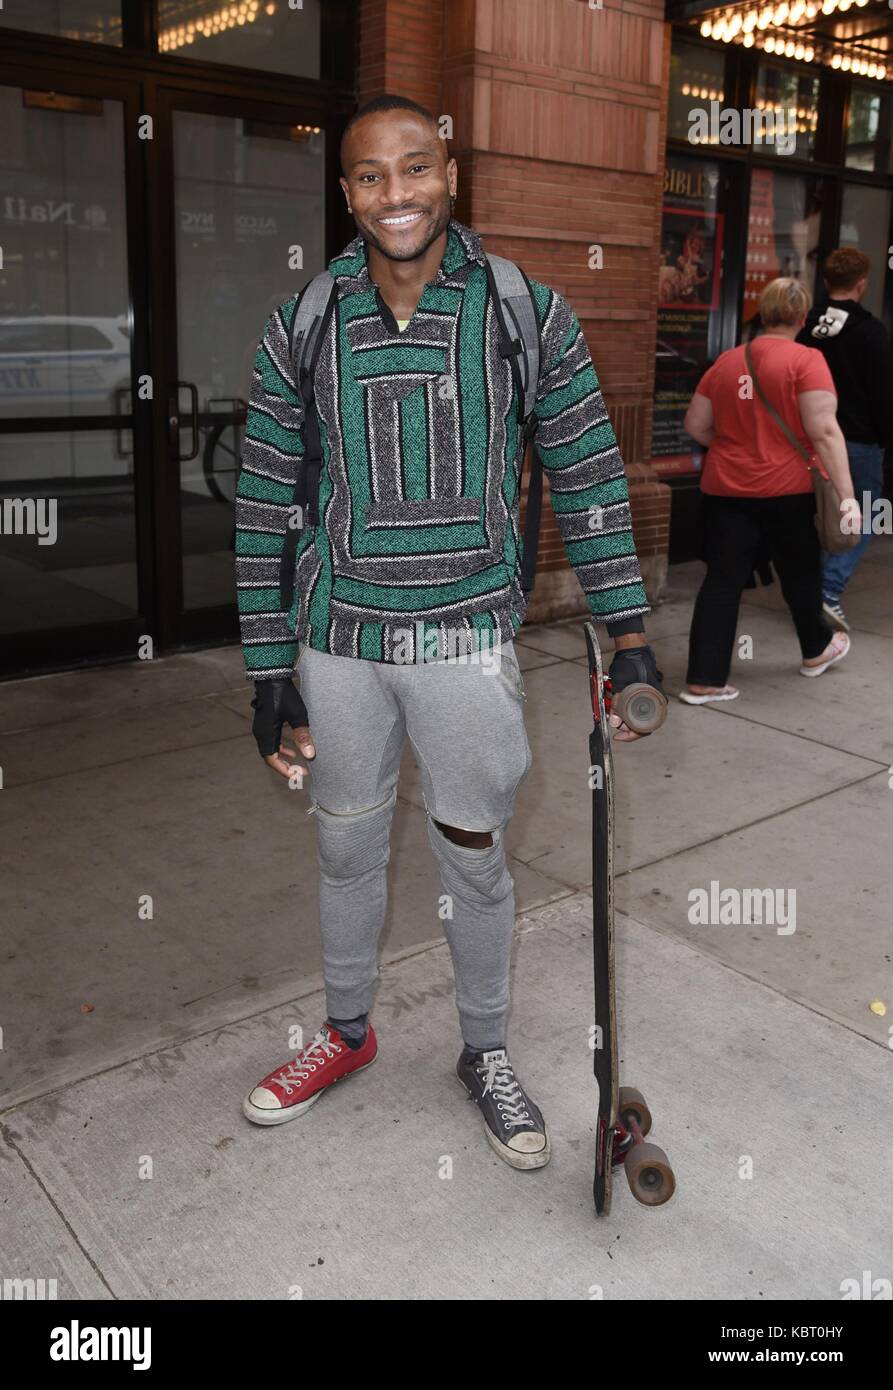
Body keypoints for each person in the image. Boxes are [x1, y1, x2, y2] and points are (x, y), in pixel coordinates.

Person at [233, 94, 665, 1170]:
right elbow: (262, 496)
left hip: (464, 643)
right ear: (345, 195)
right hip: (339, 643)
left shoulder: (523, 309)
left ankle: (483, 1049)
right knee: (343, 847)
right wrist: (265, 665)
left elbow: (585, 471)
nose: (395, 196)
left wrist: (626, 631)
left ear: (449, 173)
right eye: (370, 177)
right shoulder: (304, 320)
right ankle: (343, 1032)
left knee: (471, 860)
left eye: (413, 169)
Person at [681, 277, 860, 704]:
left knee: (722, 581)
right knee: (800, 573)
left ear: (762, 314)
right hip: (787, 489)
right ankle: (816, 651)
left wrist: (735, 449)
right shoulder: (807, 360)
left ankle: (704, 679)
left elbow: (695, 425)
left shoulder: (726, 361)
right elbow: (826, 433)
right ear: (802, 317)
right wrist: (848, 495)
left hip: (726, 491)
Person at [796, 247, 893, 631]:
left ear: (825, 282)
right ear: (862, 283)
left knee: (815, 516)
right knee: (863, 515)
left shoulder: (804, 326)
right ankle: (828, 591)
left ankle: (812, 591)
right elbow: (884, 394)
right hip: (858, 441)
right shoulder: (870, 331)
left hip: (806, 440)